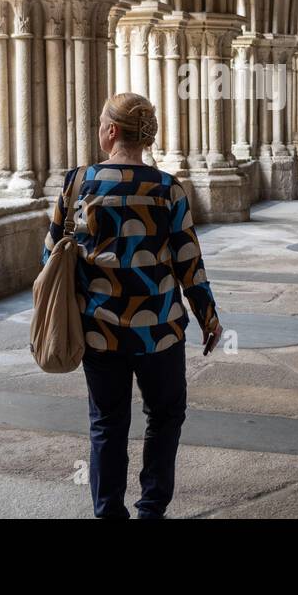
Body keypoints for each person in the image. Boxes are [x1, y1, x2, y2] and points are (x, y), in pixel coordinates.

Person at [43, 92, 222, 519]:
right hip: (159, 330)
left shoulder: (77, 182)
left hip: (99, 330)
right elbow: (188, 262)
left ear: (110, 131)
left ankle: (108, 513)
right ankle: (151, 509)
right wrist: (209, 317)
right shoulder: (166, 189)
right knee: (164, 416)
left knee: (107, 424)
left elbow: (51, 257)